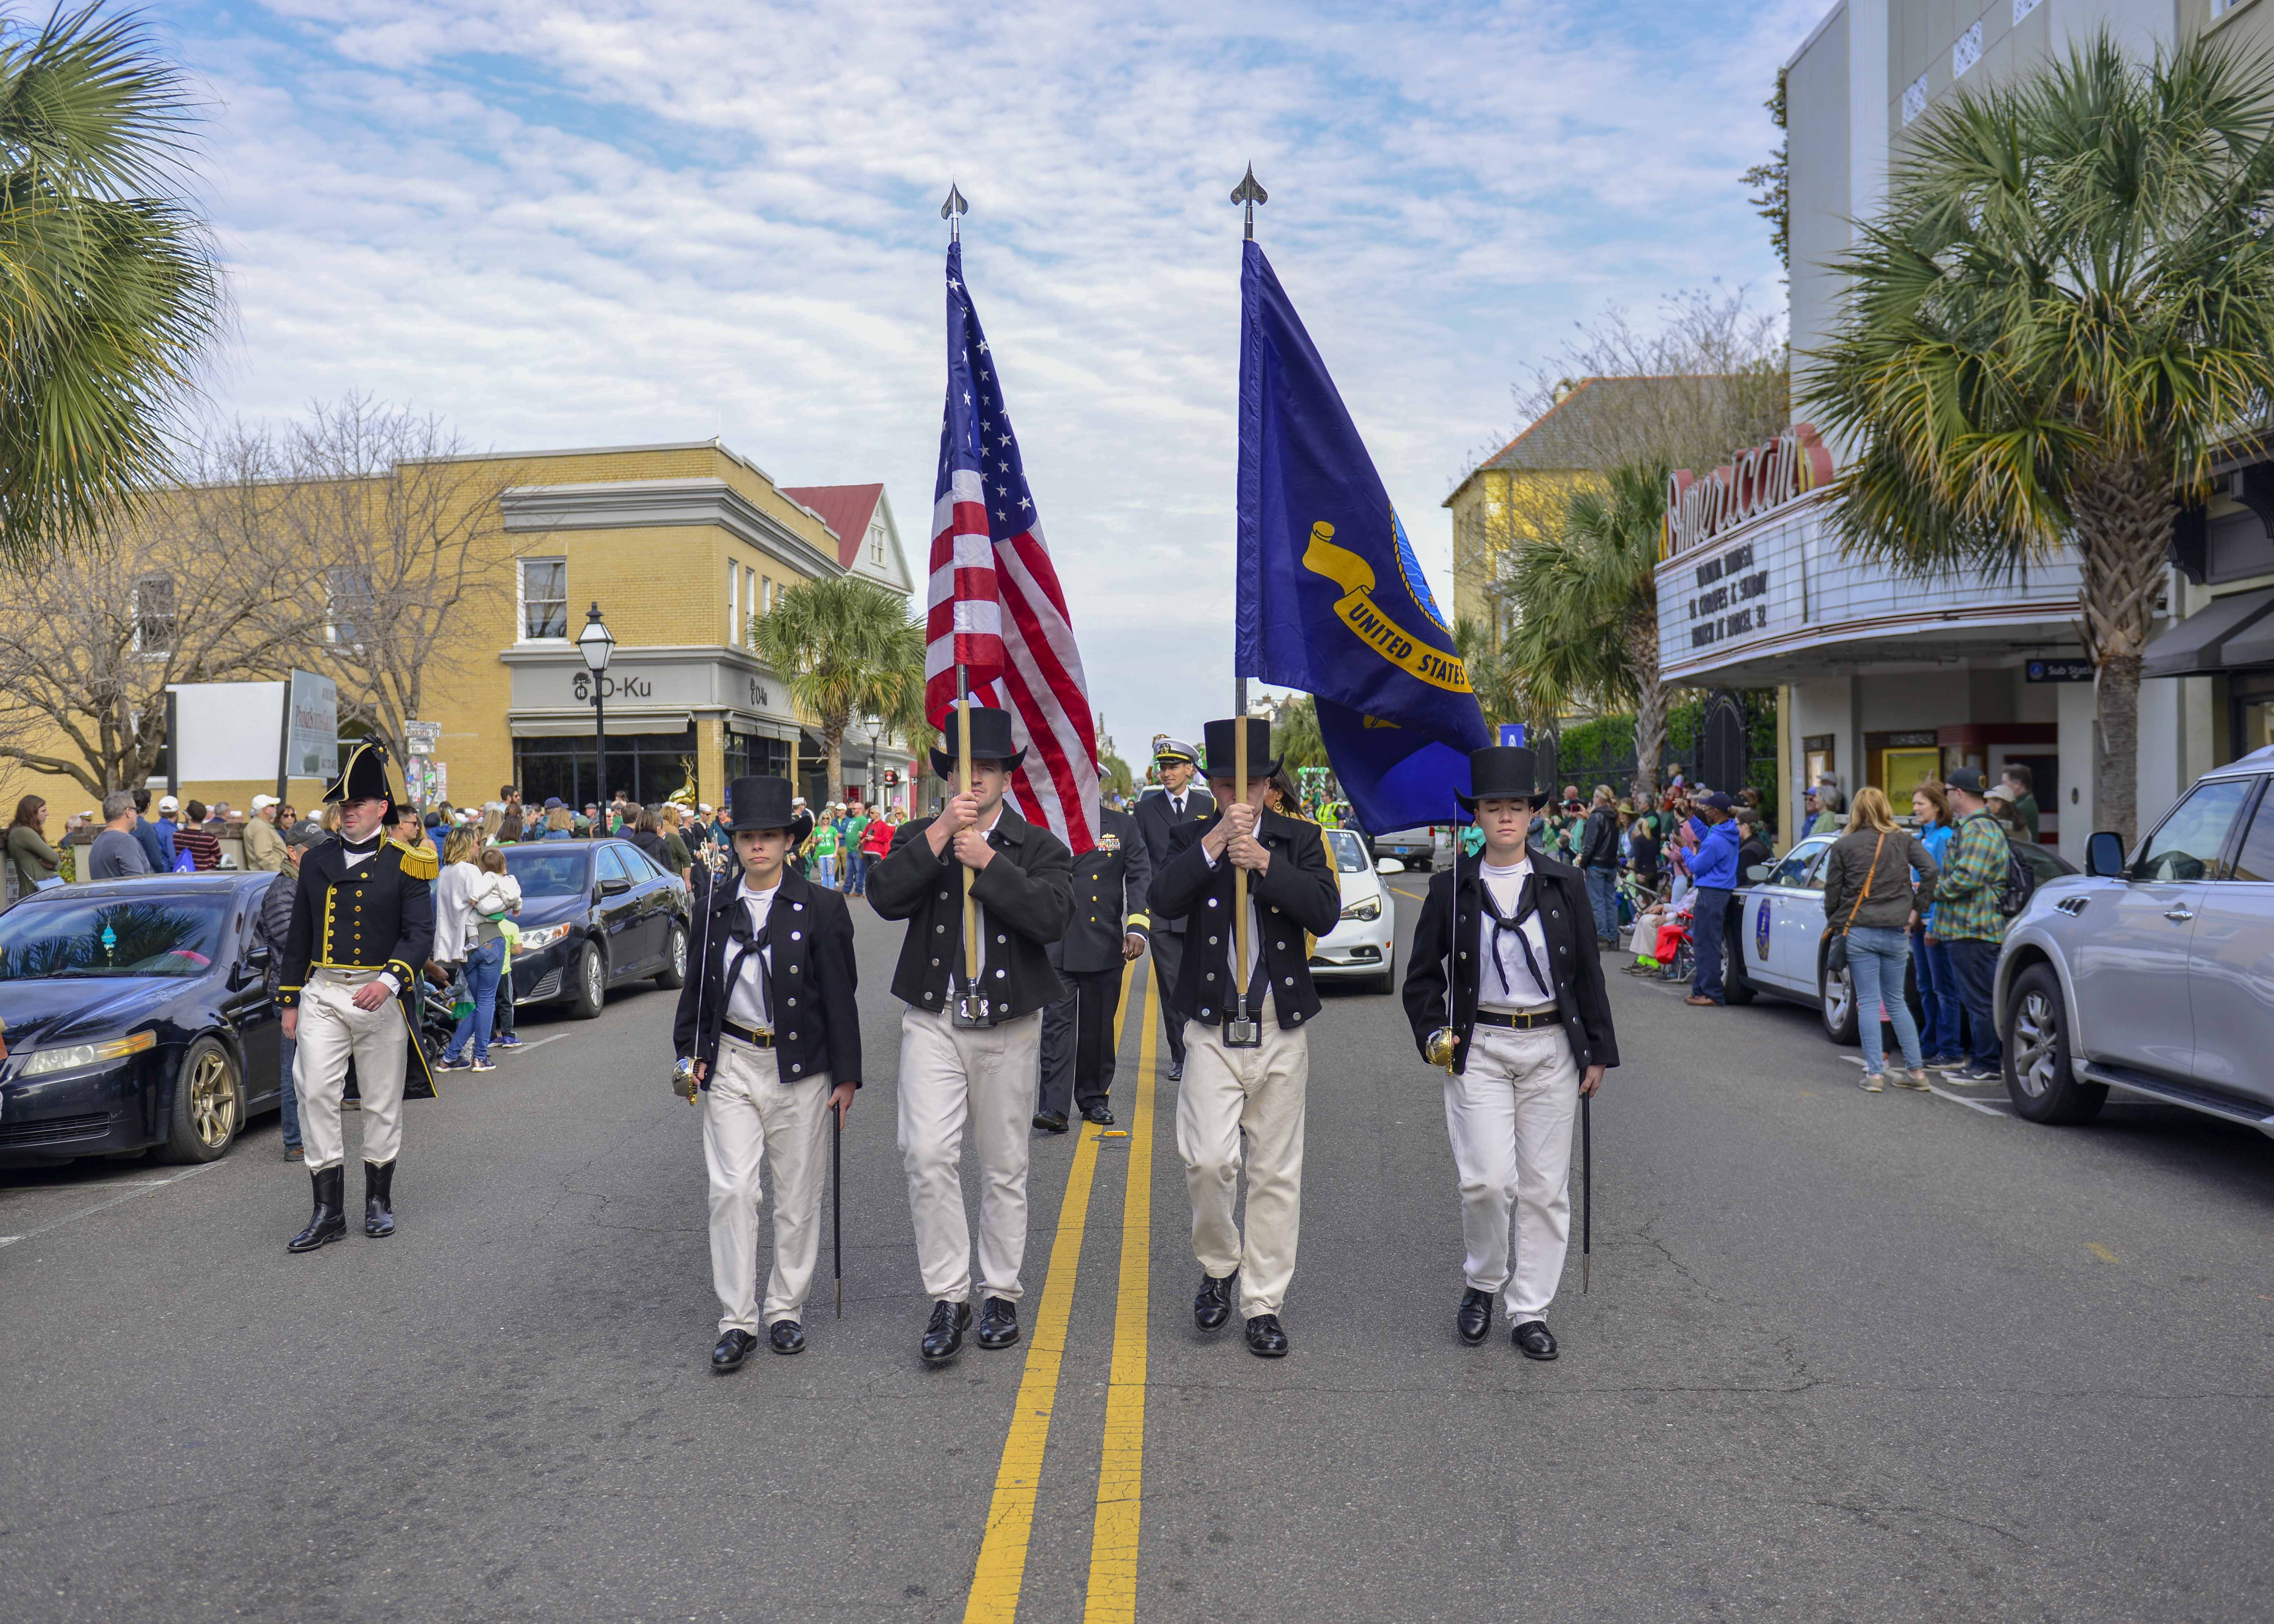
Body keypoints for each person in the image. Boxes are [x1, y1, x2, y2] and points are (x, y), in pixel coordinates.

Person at [868, 706, 1073, 1363]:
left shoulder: (1038, 847)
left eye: (987, 769)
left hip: (1009, 1025)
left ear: (1006, 778)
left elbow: (1051, 919)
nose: (975, 780)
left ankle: (1000, 1296)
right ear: (947, 775)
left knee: (1005, 1166)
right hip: (935, 1020)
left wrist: (987, 861)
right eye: (964, 769)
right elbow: (884, 895)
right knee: (926, 1153)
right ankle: (948, 1297)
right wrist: (940, 839)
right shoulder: (919, 836)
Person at [1401, 743, 1618, 1360]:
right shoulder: (1452, 890)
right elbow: (1422, 979)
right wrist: (1431, 1037)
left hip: (1552, 1045)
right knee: (1488, 1183)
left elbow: (1587, 976)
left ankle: (1530, 1309)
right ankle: (1483, 1282)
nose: (1505, 817)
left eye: (1516, 807)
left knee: (1545, 1188)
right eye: (1493, 807)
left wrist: (1596, 1051)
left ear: (1532, 815)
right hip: (1483, 1047)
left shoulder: (1564, 882)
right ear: (1477, 816)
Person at [1147, 717, 1341, 1359]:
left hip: (1278, 1025)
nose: (1239, 800)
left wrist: (1261, 862)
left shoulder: (1300, 840)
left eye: (1250, 787)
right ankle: (1220, 1265)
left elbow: (1324, 912)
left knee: (1276, 1172)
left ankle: (1263, 1302)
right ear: (1213, 787)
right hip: (1210, 1027)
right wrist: (1212, 850)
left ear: (1269, 787)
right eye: (1226, 786)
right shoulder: (1190, 837)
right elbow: (1164, 898)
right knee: (1208, 1160)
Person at [674, 774, 861, 1371]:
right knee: (731, 1190)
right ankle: (737, 1320)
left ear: (789, 842)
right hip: (731, 1062)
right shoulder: (713, 908)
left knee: (797, 1195)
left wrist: (846, 1074)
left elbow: (840, 995)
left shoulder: (822, 907)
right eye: (749, 836)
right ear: (735, 842)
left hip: (800, 1067)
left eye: (770, 837)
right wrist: (689, 1054)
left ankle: (785, 1309)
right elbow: (696, 996)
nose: (758, 847)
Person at [276, 742, 438, 1252]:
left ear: (381, 808)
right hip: (324, 991)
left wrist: (389, 980)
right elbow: (300, 932)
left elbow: (419, 934)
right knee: (316, 1091)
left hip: (379, 992)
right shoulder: (319, 859)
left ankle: (377, 1202)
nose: (347, 813)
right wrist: (289, 999)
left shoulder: (407, 863)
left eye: (357, 805)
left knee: (380, 1099)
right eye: (342, 807)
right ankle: (327, 1211)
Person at [1035, 795, 1151, 1133]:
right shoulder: (1047, 822)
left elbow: (1140, 877)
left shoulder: (1121, 826)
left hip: (1103, 942)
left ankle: (1094, 1099)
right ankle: (1054, 1107)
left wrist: (1137, 926)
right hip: (1057, 940)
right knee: (1056, 1027)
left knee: (1098, 1027)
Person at [1821, 786, 1939, 1090]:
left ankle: (1874, 1074)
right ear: (1885, 808)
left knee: (1870, 1003)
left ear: (1856, 811)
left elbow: (1832, 891)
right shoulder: (1903, 840)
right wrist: (1917, 908)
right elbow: (1931, 869)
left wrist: (1836, 921)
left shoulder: (1844, 845)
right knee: (1897, 1001)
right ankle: (1916, 1073)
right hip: (1897, 930)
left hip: (1859, 929)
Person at [1132, 735, 1215, 1082]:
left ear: (1189, 770)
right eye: (1162, 767)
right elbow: (1141, 863)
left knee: (1202, 982)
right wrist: (1142, 915)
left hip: (1199, 911)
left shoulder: (1208, 804)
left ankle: (1207, 1052)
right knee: (1172, 988)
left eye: (1172, 767)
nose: (1166, 773)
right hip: (1164, 914)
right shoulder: (1145, 808)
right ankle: (1181, 1056)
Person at [1935, 767, 2012, 1082]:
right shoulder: (1971, 826)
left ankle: (1986, 1064)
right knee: (1977, 998)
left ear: (1960, 793)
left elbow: (1967, 877)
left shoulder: (1978, 829)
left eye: (1948, 790)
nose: (1946, 795)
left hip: (1974, 930)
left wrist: (1930, 891)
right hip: (1966, 928)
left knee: (1980, 1000)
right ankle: (1983, 1061)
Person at [255, 820, 318, 1159]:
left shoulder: (308, 883)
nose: (319, 856)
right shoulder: (283, 890)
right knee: (294, 1069)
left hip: (312, 988)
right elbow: (291, 940)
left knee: (312, 1069)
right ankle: (294, 1141)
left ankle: (308, 1135)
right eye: (311, 850)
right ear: (291, 853)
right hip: (292, 990)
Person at [434, 829, 514, 1073]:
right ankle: (480, 1056)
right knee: (487, 1002)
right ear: (467, 846)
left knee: (481, 1003)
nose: (479, 848)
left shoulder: (444, 873)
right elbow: (485, 906)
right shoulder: (471, 871)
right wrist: (509, 903)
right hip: (488, 939)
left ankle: (450, 1056)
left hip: (463, 947)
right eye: (476, 844)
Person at [1908, 782, 1965, 1069]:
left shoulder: (1943, 837)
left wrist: (1934, 924)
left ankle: (1950, 1049)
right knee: (1925, 987)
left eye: (1921, 803)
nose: (1915, 808)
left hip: (1936, 922)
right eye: (1915, 804)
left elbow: (1944, 884)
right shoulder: (1919, 837)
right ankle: (1929, 1046)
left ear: (1938, 807)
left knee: (1944, 988)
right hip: (1919, 920)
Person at [1683, 793, 1741, 1007]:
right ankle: (1701, 990)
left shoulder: (1716, 841)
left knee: (1706, 943)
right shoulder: (1727, 831)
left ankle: (1712, 993)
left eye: (1706, 809)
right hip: (1719, 893)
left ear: (1716, 812)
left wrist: (1683, 848)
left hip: (1710, 893)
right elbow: (1707, 834)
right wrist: (1691, 817)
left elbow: (1697, 867)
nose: (1704, 811)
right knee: (1706, 942)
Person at [1577, 785, 1620, 948]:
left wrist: (1583, 864)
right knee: (1610, 901)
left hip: (1596, 864)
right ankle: (1613, 936)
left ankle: (1602, 936)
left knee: (1597, 902)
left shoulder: (1597, 817)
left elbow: (1590, 845)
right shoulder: (1614, 816)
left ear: (1598, 799)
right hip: (1610, 864)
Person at [88, 792, 154, 879]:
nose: (137, 815)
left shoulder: (98, 842)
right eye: (136, 811)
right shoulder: (126, 841)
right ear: (128, 812)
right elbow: (137, 884)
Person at [8, 796, 62, 897]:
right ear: (32, 813)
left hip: (39, 893)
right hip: (35, 894)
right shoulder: (23, 832)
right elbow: (54, 858)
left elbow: (57, 864)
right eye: (43, 811)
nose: (47, 814)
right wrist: (54, 863)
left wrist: (54, 864)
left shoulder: (25, 832)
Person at [243, 795, 289, 873]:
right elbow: (264, 856)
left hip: (265, 876)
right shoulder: (260, 827)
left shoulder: (259, 824)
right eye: (273, 806)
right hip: (269, 877)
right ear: (266, 809)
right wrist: (278, 873)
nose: (276, 808)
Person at [175, 801, 223, 871]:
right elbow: (219, 860)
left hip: (184, 874)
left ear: (188, 816)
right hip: (204, 877)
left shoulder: (177, 836)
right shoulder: (210, 838)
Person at [2001, 764, 2041, 844]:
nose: (2002, 787)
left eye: (2004, 783)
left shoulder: (2022, 807)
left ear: (2017, 784)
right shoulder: (2025, 802)